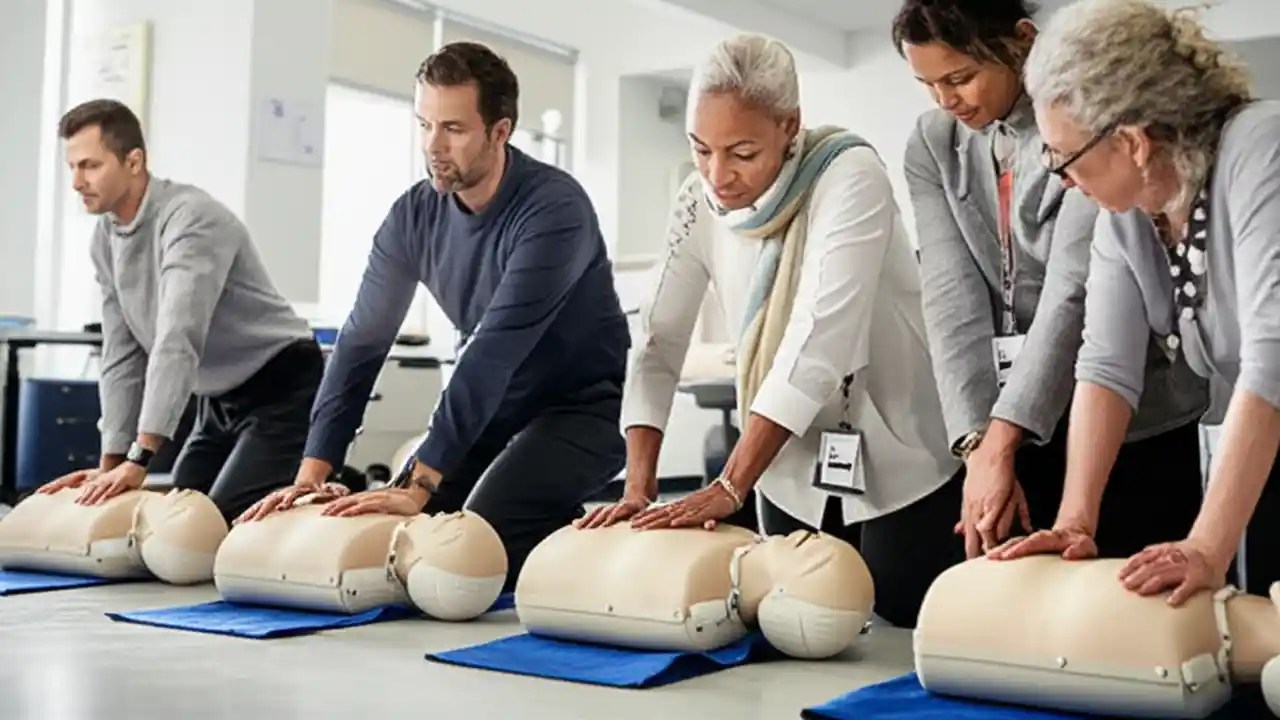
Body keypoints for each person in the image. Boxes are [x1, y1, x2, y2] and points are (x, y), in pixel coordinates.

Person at [579, 33, 963, 628]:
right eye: (700, 149)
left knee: (899, 615)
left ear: (790, 127)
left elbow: (819, 340)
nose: (718, 174)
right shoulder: (699, 197)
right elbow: (658, 339)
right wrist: (638, 487)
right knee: (795, 623)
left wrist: (730, 485)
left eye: (741, 151)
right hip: (785, 464)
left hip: (897, 447)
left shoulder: (849, 174)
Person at [237, 42, 630, 591]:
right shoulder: (413, 215)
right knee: (407, 531)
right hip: (493, 416)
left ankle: (617, 546)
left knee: (471, 544)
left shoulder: (554, 209)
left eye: (454, 129)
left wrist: (420, 479)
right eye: (424, 124)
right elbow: (361, 344)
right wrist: (312, 472)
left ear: (500, 131)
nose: (433, 147)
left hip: (584, 410)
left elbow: (494, 351)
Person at [893, 0, 1209, 561]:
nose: (946, 100)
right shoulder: (932, 142)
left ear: (1021, 40)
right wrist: (979, 446)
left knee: (1133, 607)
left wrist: (1003, 436)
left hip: (1132, 413)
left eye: (960, 77)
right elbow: (950, 297)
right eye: (927, 84)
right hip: (1005, 419)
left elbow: (1073, 290)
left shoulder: (1078, 119)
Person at [993, 0, 1280, 608]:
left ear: (1131, 143)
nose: (1059, 177)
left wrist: (1205, 545)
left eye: (1062, 157)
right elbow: (1105, 366)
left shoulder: (1262, 149)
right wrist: (1074, 524)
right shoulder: (1127, 213)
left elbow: (1273, 357)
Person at [37, 99, 323, 523]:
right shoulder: (105, 238)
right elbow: (121, 354)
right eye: (73, 167)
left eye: (90, 166)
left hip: (282, 385)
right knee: (172, 520)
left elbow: (177, 338)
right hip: (216, 399)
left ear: (134, 161)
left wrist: (142, 454)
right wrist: (112, 464)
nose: (77, 182)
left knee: (210, 525)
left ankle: (328, 480)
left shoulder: (191, 218)